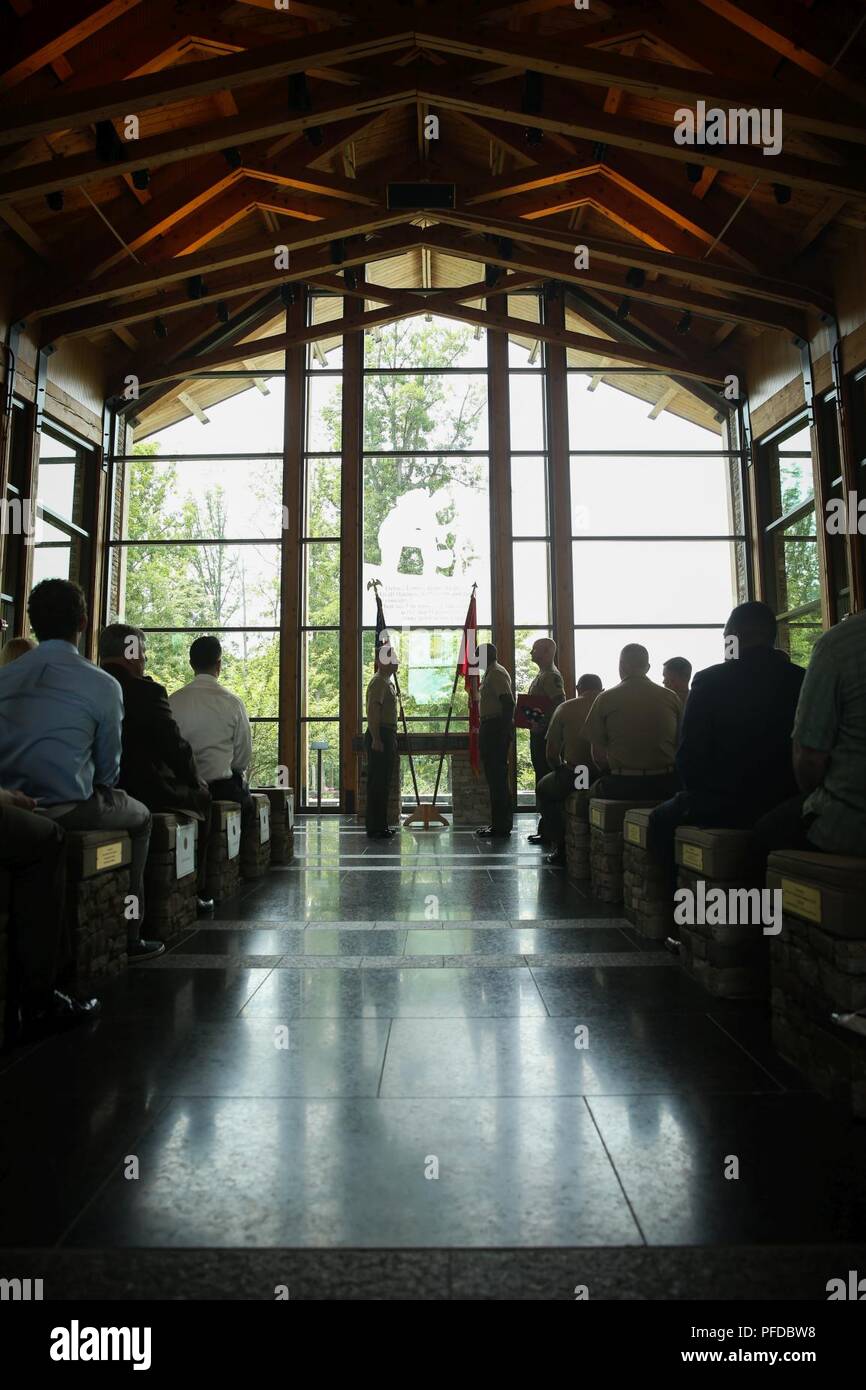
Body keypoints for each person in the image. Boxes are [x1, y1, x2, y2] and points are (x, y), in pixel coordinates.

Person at [0, 579, 161, 961]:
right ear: (84, 622)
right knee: (142, 820)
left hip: (9, 809)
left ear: (31, 622)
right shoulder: (101, 685)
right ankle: (131, 933)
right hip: (68, 806)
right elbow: (107, 772)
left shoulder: (5, 677)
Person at [648, 602, 805, 888]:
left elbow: (689, 755)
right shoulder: (800, 679)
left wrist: (696, 793)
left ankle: (673, 911)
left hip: (722, 803)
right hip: (785, 803)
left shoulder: (710, 680)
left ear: (732, 637)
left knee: (659, 820)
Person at [99, 623, 213, 912]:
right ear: (132, 653)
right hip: (144, 789)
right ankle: (197, 890)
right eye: (143, 653)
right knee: (203, 800)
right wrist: (195, 780)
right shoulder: (145, 691)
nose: (145, 659)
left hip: (95, 787)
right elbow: (174, 747)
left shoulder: (87, 683)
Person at [752, 608, 866, 857]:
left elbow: (809, 755)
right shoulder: (795, 675)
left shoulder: (839, 644)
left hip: (849, 824)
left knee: (760, 837)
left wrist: (811, 793)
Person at [0, 785, 100, 1040]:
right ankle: (39, 999)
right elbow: (108, 773)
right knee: (49, 836)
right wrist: (10, 797)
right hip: (71, 803)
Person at [169, 636, 255, 826]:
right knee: (249, 809)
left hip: (183, 790)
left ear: (191, 664)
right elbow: (242, 758)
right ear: (219, 664)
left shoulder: (172, 701)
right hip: (222, 789)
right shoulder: (233, 703)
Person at [583, 643, 682, 801]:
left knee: (583, 796)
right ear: (648, 667)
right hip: (665, 785)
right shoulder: (671, 697)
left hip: (622, 784)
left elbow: (598, 756)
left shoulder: (605, 698)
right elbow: (681, 745)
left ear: (621, 665)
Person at [537, 673, 603, 866]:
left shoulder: (565, 708)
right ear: (601, 688)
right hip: (606, 775)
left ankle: (560, 846)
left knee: (544, 789)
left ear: (578, 689)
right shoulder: (612, 704)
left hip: (577, 772)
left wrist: (559, 770)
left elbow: (551, 753)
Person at [525, 637, 566, 846]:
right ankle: (546, 827)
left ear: (548, 652)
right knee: (541, 778)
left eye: (536, 649)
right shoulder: (541, 675)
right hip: (538, 732)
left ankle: (550, 830)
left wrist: (545, 723)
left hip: (545, 735)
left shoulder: (550, 677)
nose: (531, 653)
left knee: (545, 780)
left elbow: (560, 704)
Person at [476, 643, 515, 839]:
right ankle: (497, 823)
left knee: (498, 778)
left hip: (495, 727)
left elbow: (508, 702)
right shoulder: (490, 673)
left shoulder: (497, 673)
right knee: (494, 778)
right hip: (490, 726)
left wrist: (503, 731)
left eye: (478, 656)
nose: (476, 660)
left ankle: (502, 825)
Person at [364, 645, 399, 840]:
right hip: (381, 734)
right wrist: (376, 737)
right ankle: (375, 827)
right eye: (393, 657)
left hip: (387, 733)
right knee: (377, 784)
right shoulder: (379, 682)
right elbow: (373, 710)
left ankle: (380, 825)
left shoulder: (387, 682)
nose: (396, 661)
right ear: (383, 661)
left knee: (383, 783)